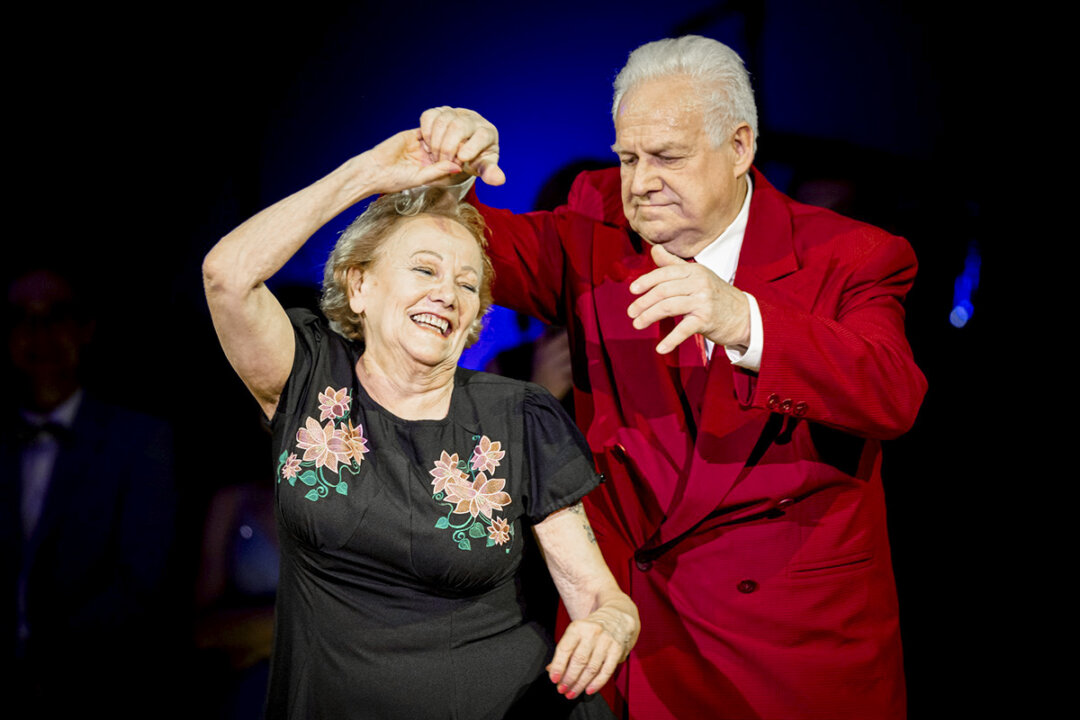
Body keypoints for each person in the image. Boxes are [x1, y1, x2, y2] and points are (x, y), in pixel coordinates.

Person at [416, 35, 927, 720]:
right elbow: (478, 248)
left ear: (740, 146)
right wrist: (446, 178)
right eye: (628, 156)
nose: (640, 180)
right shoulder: (597, 218)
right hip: (631, 639)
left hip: (786, 657)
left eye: (667, 157)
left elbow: (894, 393)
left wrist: (744, 320)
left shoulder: (850, 254)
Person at [202, 128, 639, 719]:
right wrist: (367, 175)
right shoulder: (308, 376)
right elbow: (226, 276)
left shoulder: (518, 416)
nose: (447, 294)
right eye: (424, 270)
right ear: (360, 285)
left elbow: (599, 596)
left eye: (466, 283)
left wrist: (610, 623)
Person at [2, 266, 178, 718]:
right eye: (22, 318)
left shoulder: (140, 440)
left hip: (98, 687)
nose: (38, 334)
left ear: (85, 330)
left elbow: (142, 585)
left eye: (55, 316)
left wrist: (44, 661)